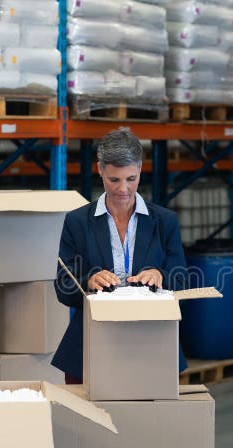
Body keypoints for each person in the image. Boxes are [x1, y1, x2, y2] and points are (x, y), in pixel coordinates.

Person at [53, 127, 188, 384]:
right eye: (114, 180)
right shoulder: (77, 222)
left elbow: (182, 282)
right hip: (91, 346)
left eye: (131, 178)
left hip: (152, 344)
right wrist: (88, 281)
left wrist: (161, 276)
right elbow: (62, 286)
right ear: (100, 170)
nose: (123, 189)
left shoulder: (165, 222)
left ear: (140, 169)